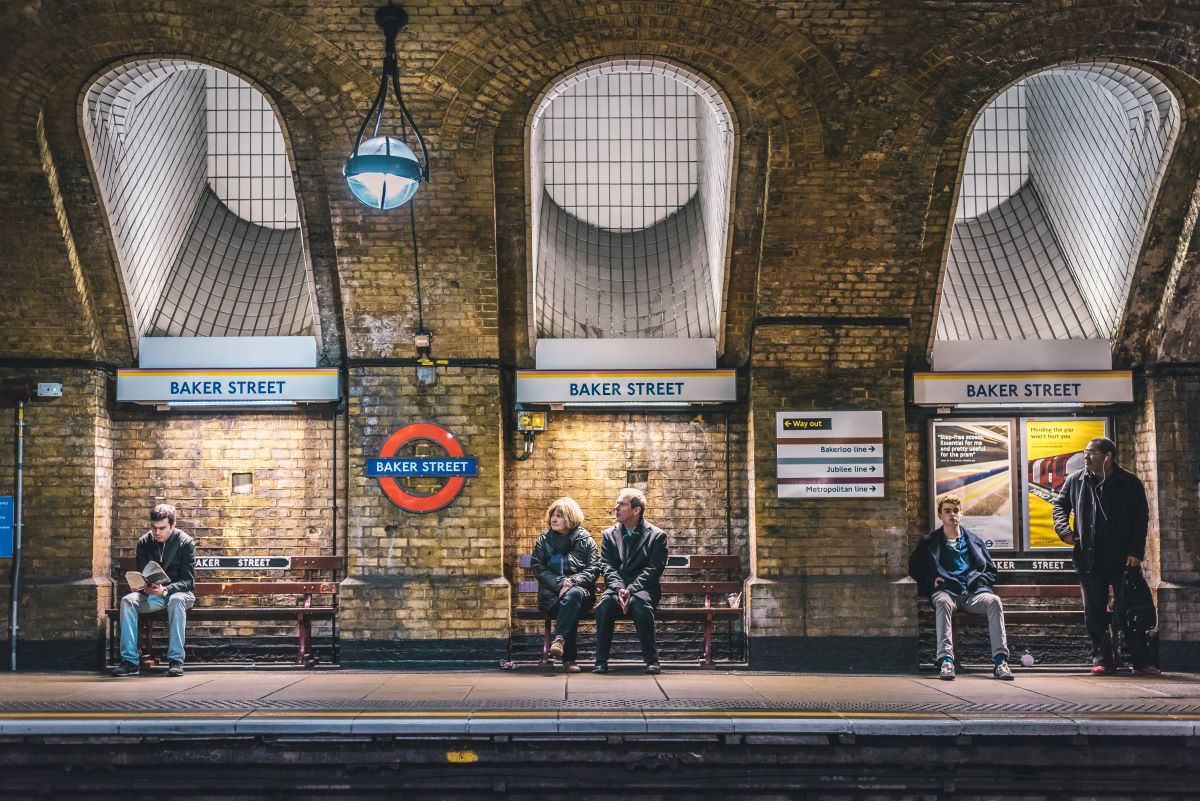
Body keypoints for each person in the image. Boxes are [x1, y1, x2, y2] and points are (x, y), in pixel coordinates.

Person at [1052, 437, 1161, 676]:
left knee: (1130, 610)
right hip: (1088, 559)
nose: (1086, 457)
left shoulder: (1129, 482)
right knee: (1095, 611)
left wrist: (1135, 552)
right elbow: (1059, 506)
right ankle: (1101, 658)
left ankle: (1141, 660)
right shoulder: (1076, 480)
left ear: (1108, 456)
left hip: (1123, 560)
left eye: (1091, 452)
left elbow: (1140, 518)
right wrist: (1064, 531)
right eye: (1085, 452)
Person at [908, 493, 1014, 681]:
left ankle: (1000, 662)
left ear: (961, 514)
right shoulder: (929, 542)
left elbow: (990, 570)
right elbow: (915, 569)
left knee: (994, 601)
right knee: (941, 602)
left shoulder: (974, 541)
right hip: (947, 592)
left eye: (956, 511)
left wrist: (980, 581)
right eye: (947, 511)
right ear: (940, 515)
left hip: (973, 594)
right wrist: (931, 580)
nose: (952, 515)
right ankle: (946, 661)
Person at [110, 504, 196, 677]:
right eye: (154, 528)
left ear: (173, 525)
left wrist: (165, 590)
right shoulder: (144, 542)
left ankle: (175, 660)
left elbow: (188, 582)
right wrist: (142, 585)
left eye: (162, 528)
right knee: (128, 600)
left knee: (176, 600)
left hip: (179, 595)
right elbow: (143, 574)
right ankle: (130, 662)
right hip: (152, 596)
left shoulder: (185, 543)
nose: (157, 533)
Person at [593, 487, 668, 674]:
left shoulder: (657, 536)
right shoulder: (609, 535)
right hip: (616, 588)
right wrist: (619, 588)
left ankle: (652, 661)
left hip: (643, 589)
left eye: (621, 504)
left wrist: (631, 589)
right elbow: (607, 566)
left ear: (636, 510)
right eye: (617, 503)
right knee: (605, 606)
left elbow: (653, 570)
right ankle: (600, 662)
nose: (615, 508)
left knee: (639, 606)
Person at [529, 496, 599, 673]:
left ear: (570, 517)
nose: (554, 519)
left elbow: (594, 568)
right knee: (570, 604)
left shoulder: (586, 540)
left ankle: (560, 640)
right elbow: (538, 567)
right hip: (551, 595)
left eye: (559, 515)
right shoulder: (544, 540)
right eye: (553, 515)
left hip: (582, 594)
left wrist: (572, 581)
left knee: (573, 596)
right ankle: (568, 659)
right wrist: (561, 583)